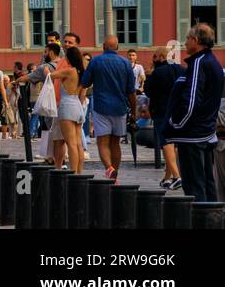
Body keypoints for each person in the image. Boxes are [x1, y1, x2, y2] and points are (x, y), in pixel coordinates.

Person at [166, 24, 224, 202]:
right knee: (207, 184)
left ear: (196, 41)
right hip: (206, 132)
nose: (185, 42)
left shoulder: (199, 63)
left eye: (188, 38)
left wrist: (176, 123)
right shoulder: (213, 61)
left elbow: (191, 100)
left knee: (194, 186)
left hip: (192, 134)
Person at [81, 36, 138, 183]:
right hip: (120, 108)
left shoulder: (95, 61)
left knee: (102, 142)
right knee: (115, 143)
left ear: (103, 46)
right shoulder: (126, 63)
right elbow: (131, 91)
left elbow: (85, 82)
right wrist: (134, 112)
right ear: (117, 47)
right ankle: (115, 174)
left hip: (101, 106)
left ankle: (109, 168)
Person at [143, 46, 183, 189]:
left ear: (161, 57)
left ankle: (177, 176)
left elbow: (148, 92)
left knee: (166, 143)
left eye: (154, 56)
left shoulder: (157, 73)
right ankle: (167, 177)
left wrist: (148, 76)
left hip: (162, 111)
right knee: (174, 144)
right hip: (179, 111)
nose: (153, 59)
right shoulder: (181, 69)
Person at [54, 46, 87, 173]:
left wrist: (46, 68)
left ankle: (73, 173)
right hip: (77, 105)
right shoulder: (81, 71)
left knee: (71, 143)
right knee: (78, 144)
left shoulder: (69, 71)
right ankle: (79, 171)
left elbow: (51, 75)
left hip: (67, 106)